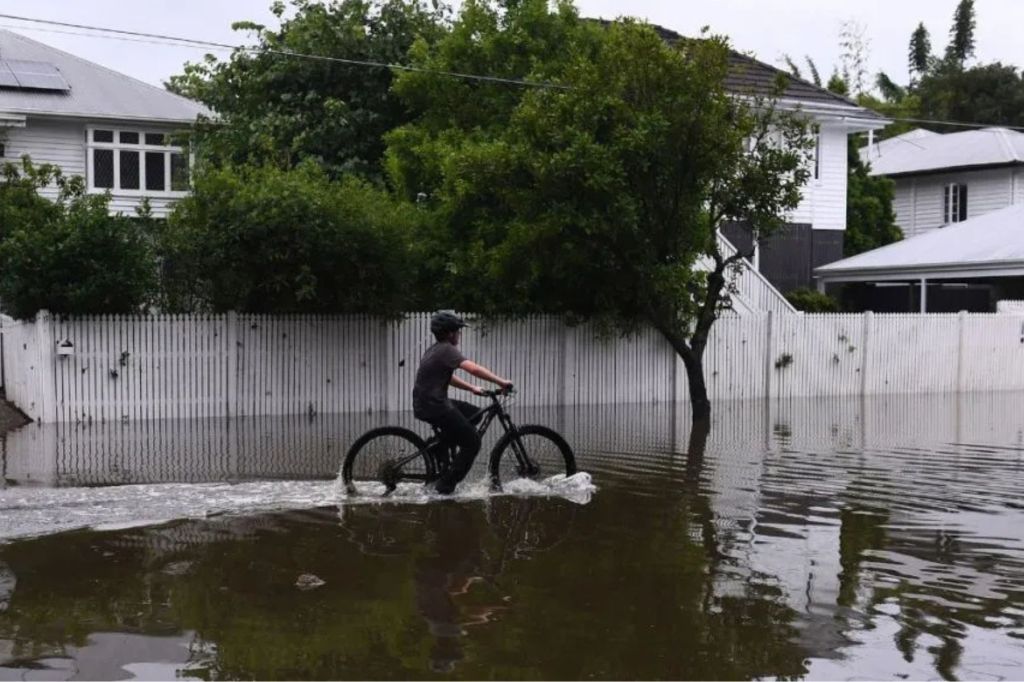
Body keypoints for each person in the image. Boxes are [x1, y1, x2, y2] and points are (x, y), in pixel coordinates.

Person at [413, 311, 512, 494]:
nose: (459, 334)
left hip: (428, 403)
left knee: (475, 414)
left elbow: (448, 378)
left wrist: (471, 388)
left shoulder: (435, 349)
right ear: (450, 333)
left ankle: (439, 445)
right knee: (472, 442)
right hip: (434, 405)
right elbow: (473, 368)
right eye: (458, 331)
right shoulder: (447, 349)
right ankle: (445, 486)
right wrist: (501, 382)